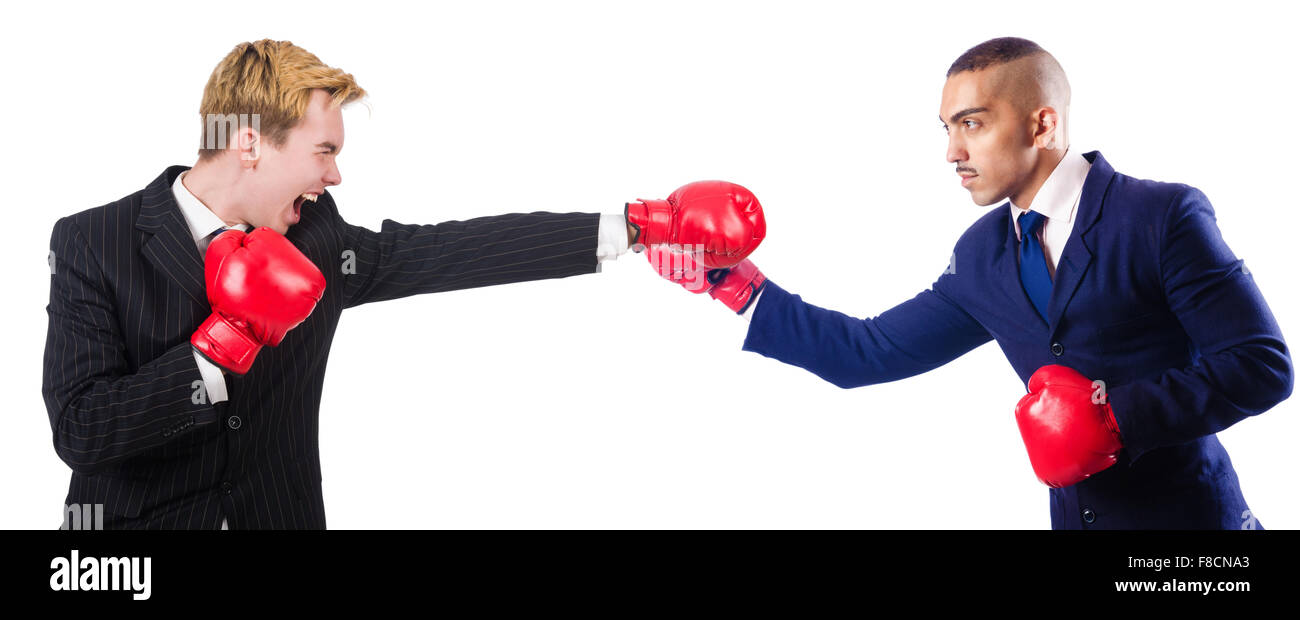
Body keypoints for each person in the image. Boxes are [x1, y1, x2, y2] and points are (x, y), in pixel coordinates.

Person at [42, 39, 764, 529]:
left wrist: (639, 224)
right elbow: (81, 430)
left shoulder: (319, 239)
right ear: (250, 142)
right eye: (323, 151)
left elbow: (450, 252)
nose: (334, 176)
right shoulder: (93, 242)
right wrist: (222, 345)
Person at [651, 37, 1293, 529]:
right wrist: (735, 284)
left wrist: (1113, 415)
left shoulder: (1160, 216)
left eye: (973, 123)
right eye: (948, 127)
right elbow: (866, 352)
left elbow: (1261, 364)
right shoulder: (983, 255)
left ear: (1043, 126)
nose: (952, 152)